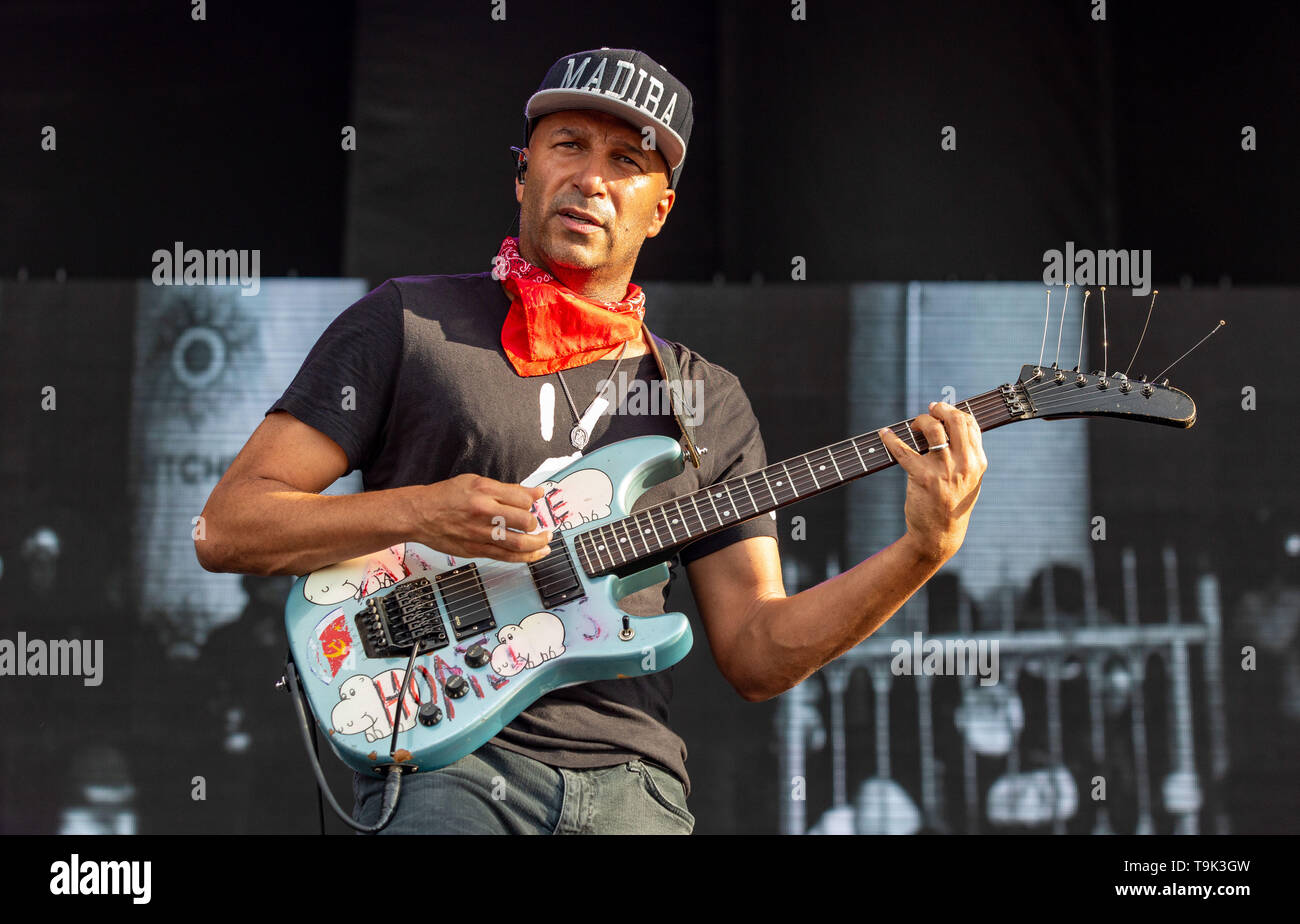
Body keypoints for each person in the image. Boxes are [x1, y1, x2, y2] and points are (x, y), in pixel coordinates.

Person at [195, 46, 988, 834]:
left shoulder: (702, 398)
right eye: (568, 144)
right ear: (522, 170)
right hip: (445, 767)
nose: (592, 178)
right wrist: (422, 512)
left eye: (626, 160)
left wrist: (922, 551)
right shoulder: (406, 322)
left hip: (634, 786)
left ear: (660, 209)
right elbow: (230, 526)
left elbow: (756, 651)